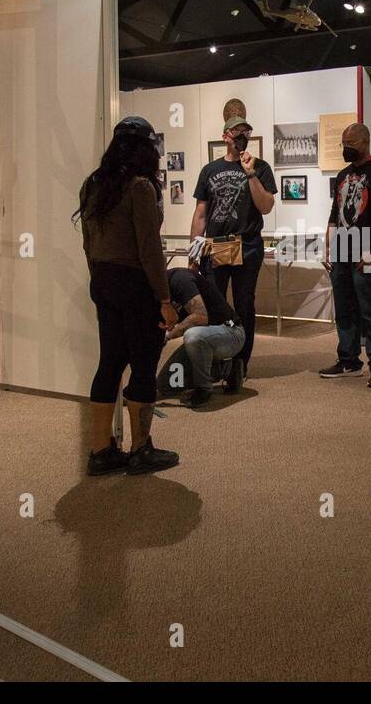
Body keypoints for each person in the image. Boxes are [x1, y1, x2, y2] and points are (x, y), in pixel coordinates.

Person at [75, 116, 179, 477]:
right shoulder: (140, 187)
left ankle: (101, 450)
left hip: (103, 280)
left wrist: (99, 279)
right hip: (135, 284)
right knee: (144, 364)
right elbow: (150, 250)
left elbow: (88, 244)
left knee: (110, 363)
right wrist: (165, 300)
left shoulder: (93, 185)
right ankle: (140, 449)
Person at [189, 114, 275, 383]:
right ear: (225, 136)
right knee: (215, 305)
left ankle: (240, 363)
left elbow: (266, 206)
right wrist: (194, 252)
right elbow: (200, 213)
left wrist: (250, 173)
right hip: (215, 247)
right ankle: (215, 358)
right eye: (236, 132)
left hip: (246, 245)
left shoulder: (260, 168)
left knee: (244, 305)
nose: (241, 136)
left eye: (246, 132)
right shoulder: (209, 170)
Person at [318, 123, 371, 388]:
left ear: (365, 142)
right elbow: (335, 213)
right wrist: (327, 245)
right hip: (342, 245)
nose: (345, 149)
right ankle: (349, 360)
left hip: (367, 246)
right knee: (344, 307)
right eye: (343, 144)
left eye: (350, 145)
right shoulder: (343, 175)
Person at [165, 266, 245, 409]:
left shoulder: (181, 280)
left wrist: (168, 336)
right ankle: (227, 370)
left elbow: (201, 316)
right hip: (205, 339)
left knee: (193, 336)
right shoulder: (154, 294)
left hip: (231, 332)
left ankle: (203, 389)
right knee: (168, 384)